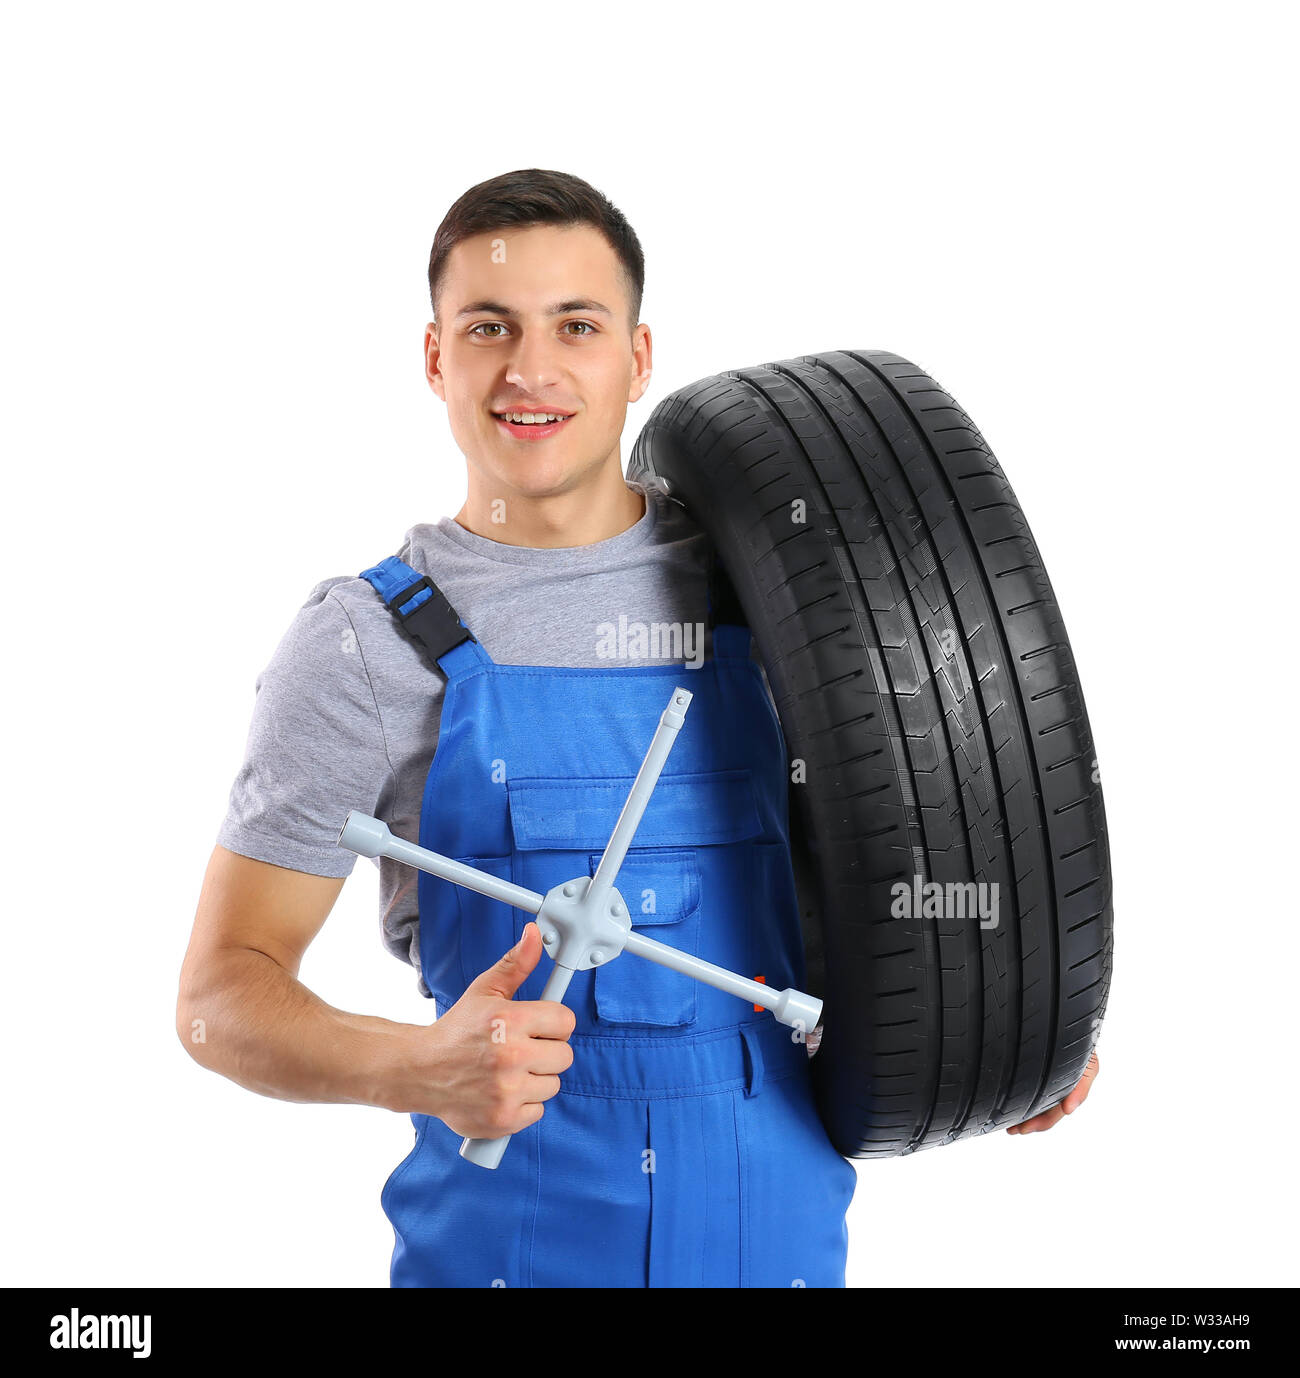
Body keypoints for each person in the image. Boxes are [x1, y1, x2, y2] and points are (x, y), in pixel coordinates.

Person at [176, 168, 1097, 1289]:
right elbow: (222, 994)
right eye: (487, 327)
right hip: (505, 1255)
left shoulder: (790, 600)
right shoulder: (368, 641)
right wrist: (418, 1066)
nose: (531, 369)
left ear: (638, 357)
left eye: (577, 325)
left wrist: (1002, 1014)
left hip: (779, 1254)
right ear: (434, 359)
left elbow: (919, 836)